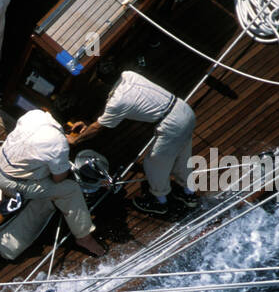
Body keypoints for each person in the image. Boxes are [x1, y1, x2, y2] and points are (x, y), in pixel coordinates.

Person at [0, 109, 106, 259]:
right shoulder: (58, 144)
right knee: (69, 189)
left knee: (30, 164)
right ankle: (84, 237)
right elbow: (59, 179)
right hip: (13, 184)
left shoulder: (34, 114)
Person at [67, 70, 197, 216]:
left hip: (172, 124)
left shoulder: (117, 102)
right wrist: (90, 125)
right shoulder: (129, 75)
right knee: (182, 157)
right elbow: (109, 113)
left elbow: (98, 127)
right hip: (184, 110)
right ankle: (189, 193)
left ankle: (159, 202)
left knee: (153, 164)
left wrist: (76, 140)